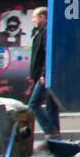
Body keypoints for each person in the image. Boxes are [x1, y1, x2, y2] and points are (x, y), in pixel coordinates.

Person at [25, 7, 59, 137]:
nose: (33, 20)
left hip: (45, 75)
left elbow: (47, 55)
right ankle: (55, 136)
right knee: (51, 106)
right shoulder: (39, 32)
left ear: (42, 17)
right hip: (42, 75)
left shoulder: (46, 32)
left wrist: (44, 74)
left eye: (35, 17)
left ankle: (50, 131)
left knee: (33, 105)